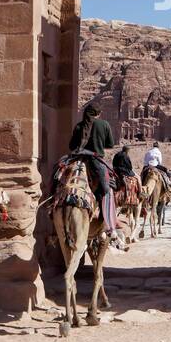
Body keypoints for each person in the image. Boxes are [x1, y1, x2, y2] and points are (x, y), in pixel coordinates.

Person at [68, 103, 120, 241]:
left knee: (58, 174)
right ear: (98, 113)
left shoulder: (79, 126)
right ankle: (108, 225)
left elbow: (71, 146)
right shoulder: (104, 124)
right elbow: (110, 144)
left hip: (77, 159)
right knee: (107, 190)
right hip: (95, 161)